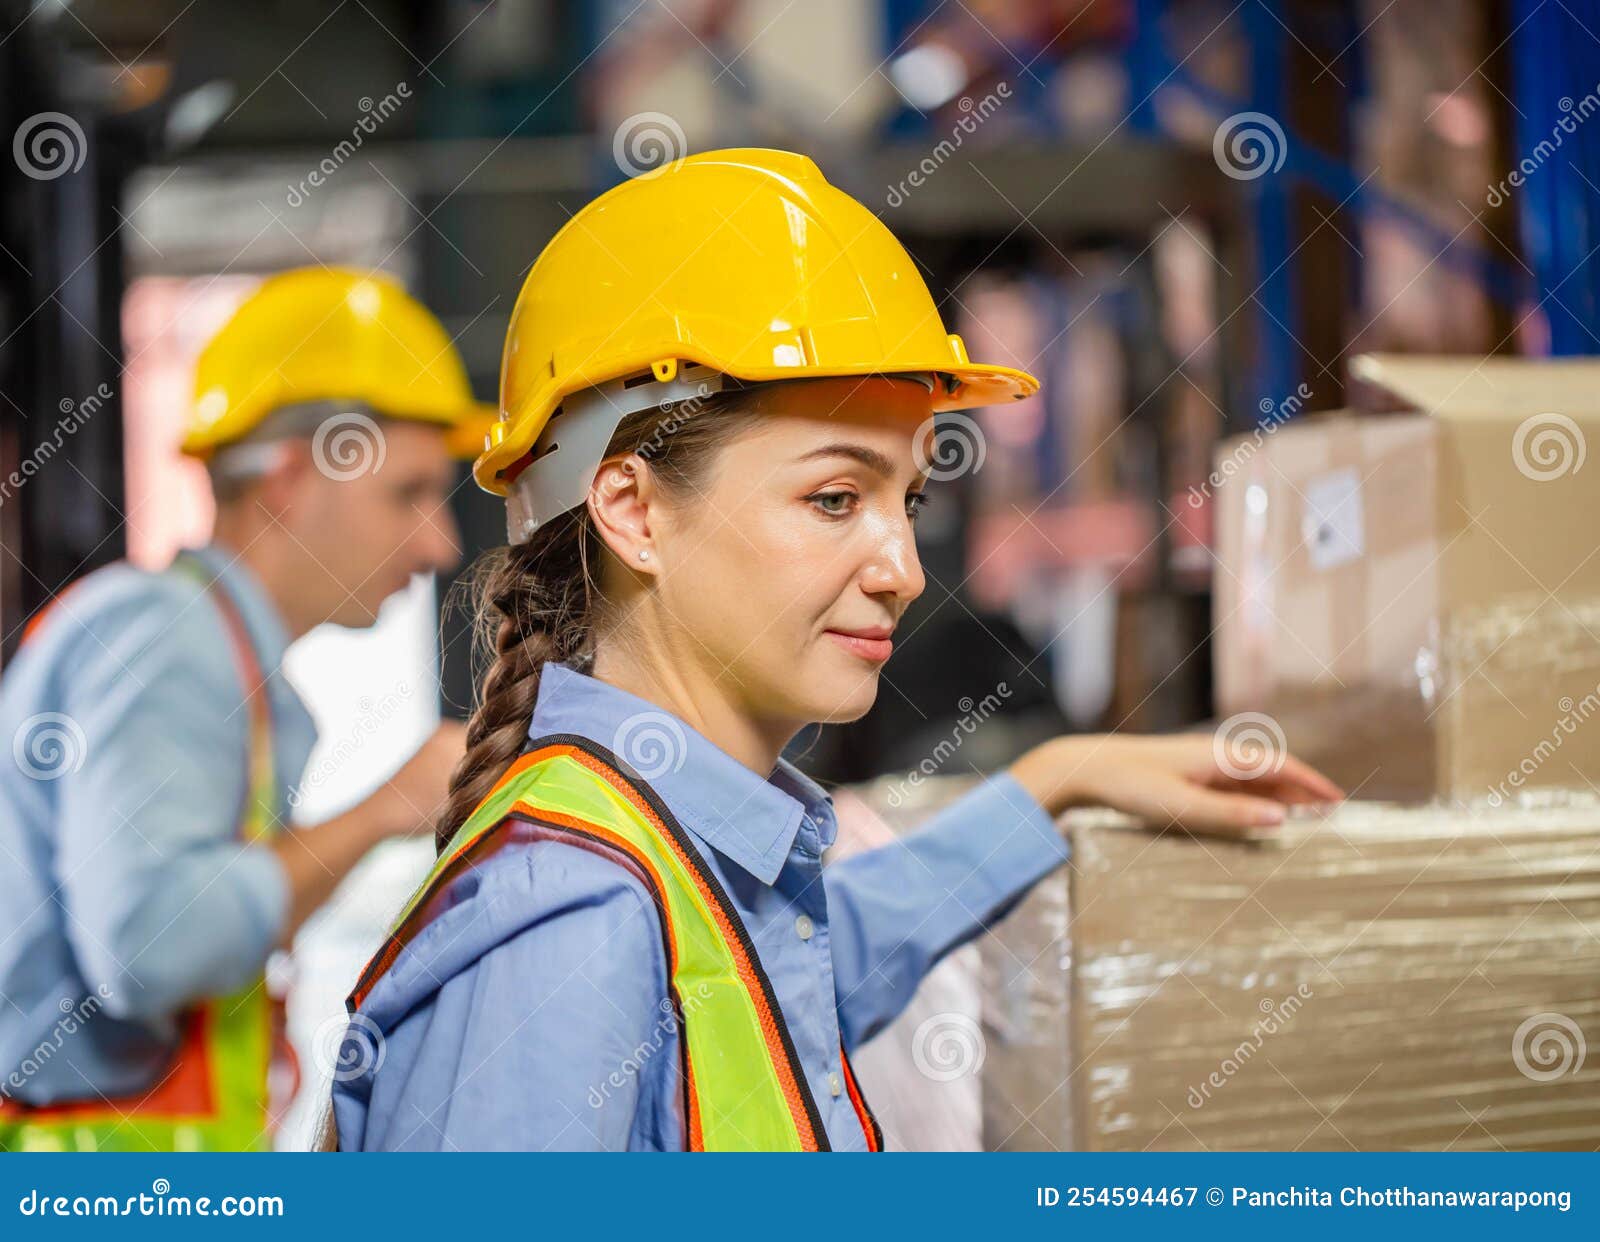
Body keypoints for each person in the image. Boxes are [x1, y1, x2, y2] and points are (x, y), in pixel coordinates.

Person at [329, 150, 1341, 1152]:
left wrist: (1054, 782)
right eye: (833, 498)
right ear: (633, 510)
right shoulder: (570, 923)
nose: (904, 570)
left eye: (909, 502)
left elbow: (789, 979)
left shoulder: (669, 863)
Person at [0, 267, 485, 1151]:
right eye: (409, 493)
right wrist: (388, 807)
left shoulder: (229, 666)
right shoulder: (166, 639)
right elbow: (149, 948)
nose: (439, 542)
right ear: (289, 478)